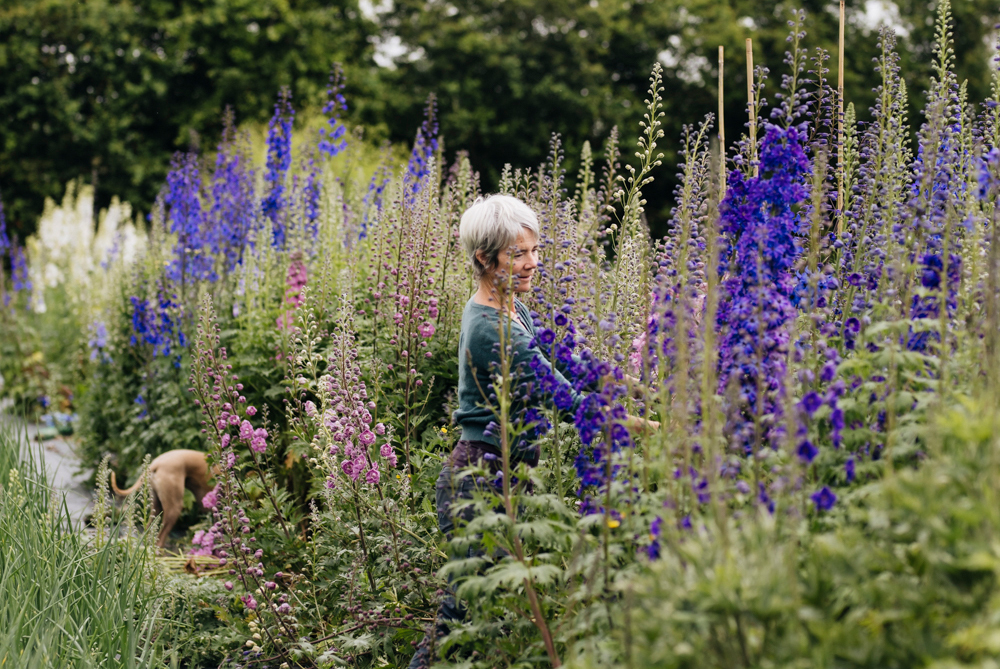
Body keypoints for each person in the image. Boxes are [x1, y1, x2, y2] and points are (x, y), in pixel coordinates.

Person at [408, 194, 654, 668]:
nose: (531, 263)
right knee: (462, 618)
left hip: (506, 478)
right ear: (484, 258)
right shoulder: (491, 328)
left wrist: (635, 387)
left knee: (489, 617)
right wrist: (642, 425)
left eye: (534, 251)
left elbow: (564, 360)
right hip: (478, 485)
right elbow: (559, 393)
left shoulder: (512, 309)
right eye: (517, 254)